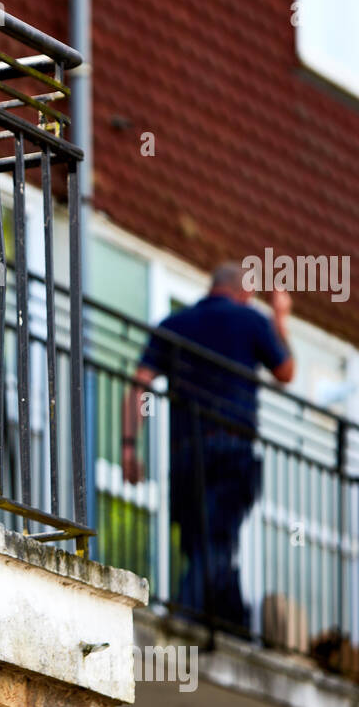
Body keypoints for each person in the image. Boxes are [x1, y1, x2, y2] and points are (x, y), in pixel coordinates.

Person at [121, 263, 294, 631]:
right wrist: (280, 319)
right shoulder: (251, 321)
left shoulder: (176, 324)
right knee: (215, 538)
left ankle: (232, 623)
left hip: (187, 454)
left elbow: (140, 385)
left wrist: (128, 447)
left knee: (202, 539)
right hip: (233, 451)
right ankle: (184, 618)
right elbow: (286, 372)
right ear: (243, 292)